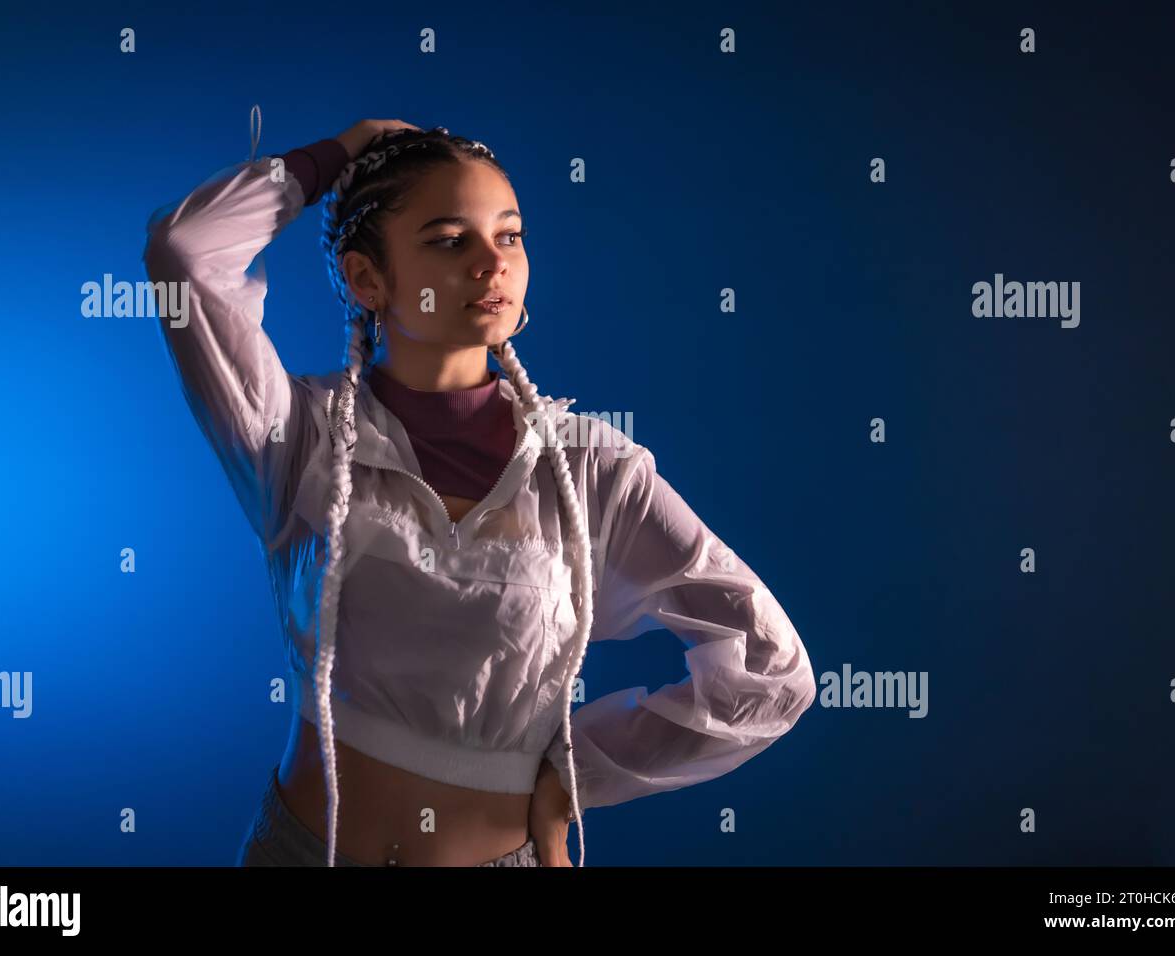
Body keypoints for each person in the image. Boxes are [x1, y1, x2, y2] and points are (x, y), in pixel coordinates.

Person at [142, 110, 818, 867]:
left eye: (510, 235)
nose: (492, 264)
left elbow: (769, 667)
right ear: (369, 279)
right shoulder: (297, 438)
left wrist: (570, 778)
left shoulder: (592, 468)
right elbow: (184, 254)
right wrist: (335, 157)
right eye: (448, 240)